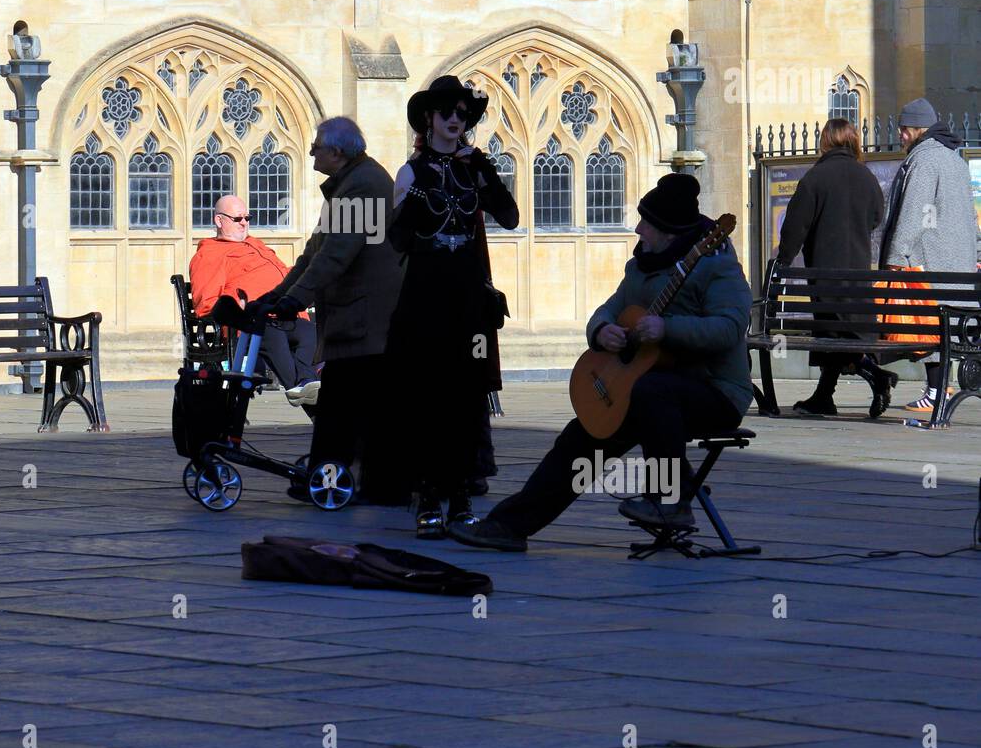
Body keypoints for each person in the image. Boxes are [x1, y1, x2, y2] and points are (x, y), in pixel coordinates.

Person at [450, 172, 752, 552]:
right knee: (580, 438)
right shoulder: (642, 266)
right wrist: (602, 330)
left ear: (669, 231)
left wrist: (668, 329)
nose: (638, 228)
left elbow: (730, 327)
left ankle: (670, 500)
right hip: (649, 390)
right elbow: (609, 308)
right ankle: (508, 527)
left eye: (647, 223)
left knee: (651, 392)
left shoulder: (716, 265)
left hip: (714, 392)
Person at [386, 76, 519, 538]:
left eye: (463, 115)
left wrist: (483, 171)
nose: (455, 121)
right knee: (427, 397)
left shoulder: (472, 168)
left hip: (467, 300)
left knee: (466, 395)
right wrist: (414, 209)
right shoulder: (412, 172)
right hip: (425, 298)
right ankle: (426, 495)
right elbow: (397, 241)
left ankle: (461, 495)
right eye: (447, 113)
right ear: (430, 118)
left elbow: (510, 216)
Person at [255, 117, 404, 502]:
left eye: (317, 146)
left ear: (337, 152)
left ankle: (347, 481)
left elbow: (337, 255)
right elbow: (314, 252)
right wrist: (277, 295)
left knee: (343, 407)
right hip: (354, 320)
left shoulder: (365, 187)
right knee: (345, 407)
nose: (311, 153)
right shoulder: (349, 184)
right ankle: (347, 479)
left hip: (366, 321)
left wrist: (294, 300)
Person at [776, 118, 895, 418]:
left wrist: (783, 261)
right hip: (857, 273)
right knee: (843, 333)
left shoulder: (816, 178)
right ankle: (824, 395)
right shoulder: (866, 176)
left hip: (825, 274)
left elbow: (795, 225)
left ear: (826, 141)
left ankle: (873, 376)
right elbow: (876, 216)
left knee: (835, 333)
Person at [878, 98, 979, 413]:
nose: (901, 134)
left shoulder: (923, 160)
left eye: (904, 128)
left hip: (931, 260)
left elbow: (913, 215)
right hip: (956, 263)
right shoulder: (955, 160)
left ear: (917, 128)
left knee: (929, 323)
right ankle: (939, 390)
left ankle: (936, 392)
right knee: (944, 326)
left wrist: (896, 256)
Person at [188, 194, 317, 401]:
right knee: (272, 336)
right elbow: (206, 304)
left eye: (247, 218)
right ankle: (306, 395)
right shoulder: (209, 255)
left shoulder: (257, 245)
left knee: (311, 331)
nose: (244, 224)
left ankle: (306, 383)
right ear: (219, 221)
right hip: (250, 326)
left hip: (283, 314)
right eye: (237, 219)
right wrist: (238, 308)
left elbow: (285, 274)